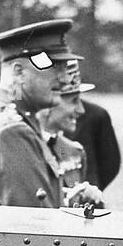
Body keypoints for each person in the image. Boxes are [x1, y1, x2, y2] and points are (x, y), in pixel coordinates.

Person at [0, 18, 103, 212]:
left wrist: (65, 202)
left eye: (65, 69)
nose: (65, 79)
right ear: (19, 72)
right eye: (55, 68)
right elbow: (37, 230)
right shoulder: (11, 132)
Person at [41, 60, 94, 188]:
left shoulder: (74, 151)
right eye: (73, 101)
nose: (81, 110)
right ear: (49, 102)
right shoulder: (22, 147)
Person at [74, 96, 122, 191]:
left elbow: (110, 162)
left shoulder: (96, 115)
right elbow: (61, 154)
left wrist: (93, 185)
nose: (80, 110)